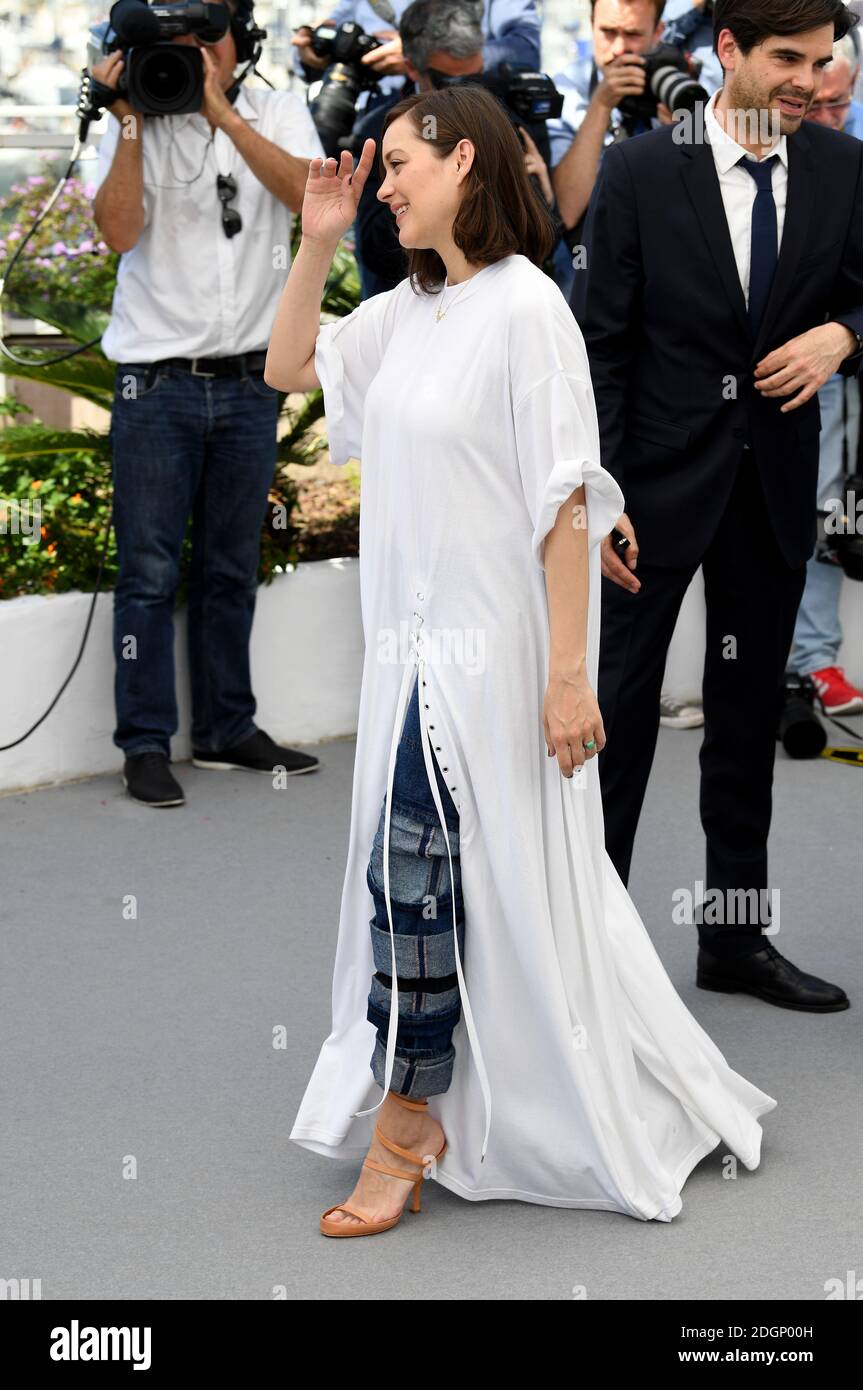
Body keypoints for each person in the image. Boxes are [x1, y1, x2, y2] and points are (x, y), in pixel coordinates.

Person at [266, 84, 777, 1235]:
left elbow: (561, 500)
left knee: (410, 870)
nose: (384, 184)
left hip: (487, 652)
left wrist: (563, 675)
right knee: (444, 877)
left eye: (399, 164)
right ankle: (459, 1091)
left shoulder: (527, 308)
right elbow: (289, 368)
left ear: (466, 166)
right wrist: (318, 241)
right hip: (402, 648)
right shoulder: (410, 309)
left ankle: (406, 1119)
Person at [572, 0, 862, 1007]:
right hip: (647, 494)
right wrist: (597, 492)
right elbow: (597, 347)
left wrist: (843, 338)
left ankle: (731, 942)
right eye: (787, 59)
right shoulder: (641, 171)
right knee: (615, 724)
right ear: (725, 51)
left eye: (822, 62)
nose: (808, 81)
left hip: (769, 486)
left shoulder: (837, 168)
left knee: (744, 729)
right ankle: (588, 956)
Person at [91, 0, 325, 808]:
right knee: (149, 576)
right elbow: (119, 233)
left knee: (230, 567)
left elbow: (309, 198)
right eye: (174, 43)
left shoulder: (275, 104)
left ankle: (227, 727)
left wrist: (224, 113)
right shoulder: (131, 117)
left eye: (208, 37)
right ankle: (145, 743)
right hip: (155, 382)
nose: (192, 55)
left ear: (242, 39)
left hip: (250, 379)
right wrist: (128, 120)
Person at [349, 0, 561, 298]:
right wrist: (422, 194)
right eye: (452, 82)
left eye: (476, 77)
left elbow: (542, 242)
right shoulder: (382, 132)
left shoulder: (513, 113)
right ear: (412, 68)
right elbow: (376, 252)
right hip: (414, 305)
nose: (471, 94)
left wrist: (539, 200)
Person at [786, 34, 863, 714]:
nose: (823, 118)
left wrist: (843, 335)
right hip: (750, 366)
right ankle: (770, 665)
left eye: (837, 103)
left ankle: (814, 662)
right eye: (813, 105)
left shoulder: (854, 160)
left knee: (825, 512)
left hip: (842, 364)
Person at [546, 0, 676, 299]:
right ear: (591, 24)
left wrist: (680, 136)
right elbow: (564, 208)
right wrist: (602, 105)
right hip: (579, 286)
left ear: (658, 32)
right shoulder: (564, 90)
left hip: (659, 286)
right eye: (608, 32)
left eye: (632, 35)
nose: (619, 48)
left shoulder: (676, 85)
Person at [290, 0, 541, 116]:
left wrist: (428, 52)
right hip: (371, 123)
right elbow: (333, 32)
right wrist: (312, 52)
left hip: (461, 117)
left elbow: (526, 50)